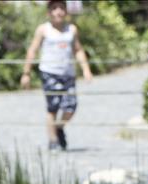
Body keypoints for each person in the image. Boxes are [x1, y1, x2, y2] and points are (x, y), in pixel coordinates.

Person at [20, 0, 93, 152]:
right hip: (50, 73)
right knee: (52, 108)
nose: (58, 11)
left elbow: (78, 50)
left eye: (61, 8)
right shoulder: (43, 30)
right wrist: (26, 73)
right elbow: (32, 50)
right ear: (49, 12)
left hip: (67, 74)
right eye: (54, 8)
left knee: (71, 107)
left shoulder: (71, 30)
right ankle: (53, 141)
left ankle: (58, 128)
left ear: (66, 12)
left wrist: (86, 69)